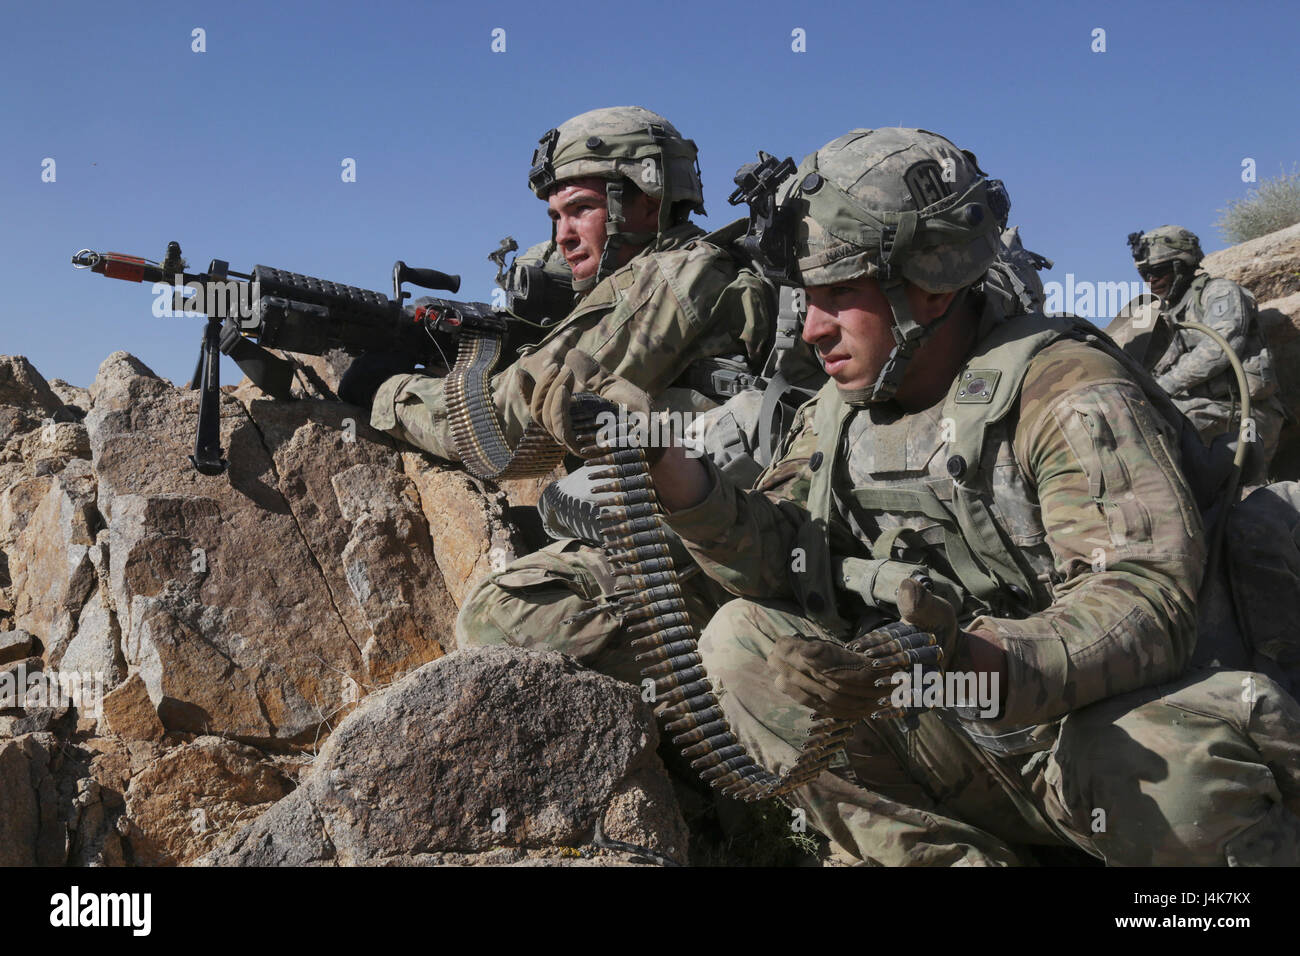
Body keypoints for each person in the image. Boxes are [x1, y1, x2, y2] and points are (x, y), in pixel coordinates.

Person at [527, 128, 1300, 865]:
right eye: (807, 297)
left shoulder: (1065, 389)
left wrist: (969, 660)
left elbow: (1145, 603)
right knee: (745, 646)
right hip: (971, 741)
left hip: (1098, 745)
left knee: (1180, 766)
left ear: (928, 287)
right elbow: (785, 558)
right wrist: (673, 471)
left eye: (839, 294)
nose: (813, 330)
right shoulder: (840, 412)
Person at [340, 106, 774, 471]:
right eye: (555, 217)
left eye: (581, 209)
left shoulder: (674, 279)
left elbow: (498, 427)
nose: (563, 236)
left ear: (649, 201)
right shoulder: (692, 266)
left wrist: (386, 390)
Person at [1117, 225, 1283, 485]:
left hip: (1244, 412)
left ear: (1182, 266)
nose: (1151, 280)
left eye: (1158, 271)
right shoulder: (1164, 314)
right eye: (1144, 273)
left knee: (1163, 432)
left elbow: (1218, 350)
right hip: (1205, 408)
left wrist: (1159, 389)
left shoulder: (1220, 293)